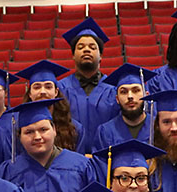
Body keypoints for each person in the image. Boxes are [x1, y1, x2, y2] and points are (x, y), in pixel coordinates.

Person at [58, 19, 119, 154]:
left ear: (101, 56)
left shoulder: (114, 88)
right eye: (80, 47)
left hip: (106, 159)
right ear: (73, 55)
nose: (86, 50)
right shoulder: (60, 89)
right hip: (69, 158)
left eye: (92, 47)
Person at [16, 60, 83, 153]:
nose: (43, 91)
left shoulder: (75, 129)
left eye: (48, 87)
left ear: (56, 92)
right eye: (37, 87)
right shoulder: (19, 128)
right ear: (30, 94)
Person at [89, 63, 155, 154]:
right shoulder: (105, 132)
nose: (130, 96)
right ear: (117, 99)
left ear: (146, 95)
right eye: (124, 92)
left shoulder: (158, 127)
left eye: (136, 90)